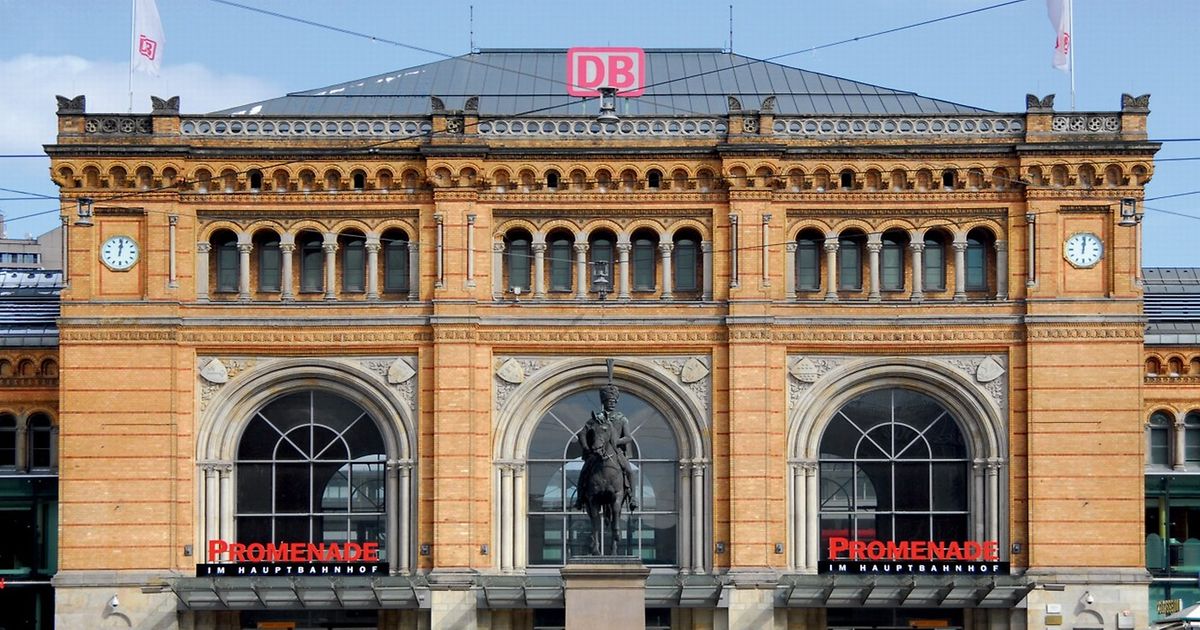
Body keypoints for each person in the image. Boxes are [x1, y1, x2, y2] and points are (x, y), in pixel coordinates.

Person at [574, 384, 637, 511]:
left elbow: (628, 437)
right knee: (584, 471)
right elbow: (582, 433)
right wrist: (586, 448)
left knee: (629, 471)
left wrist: (616, 441)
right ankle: (580, 498)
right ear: (604, 402)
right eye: (609, 401)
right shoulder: (596, 419)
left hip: (616, 452)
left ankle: (633, 498)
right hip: (597, 454)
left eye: (614, 401)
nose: (612, 404)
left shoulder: (621, 419)